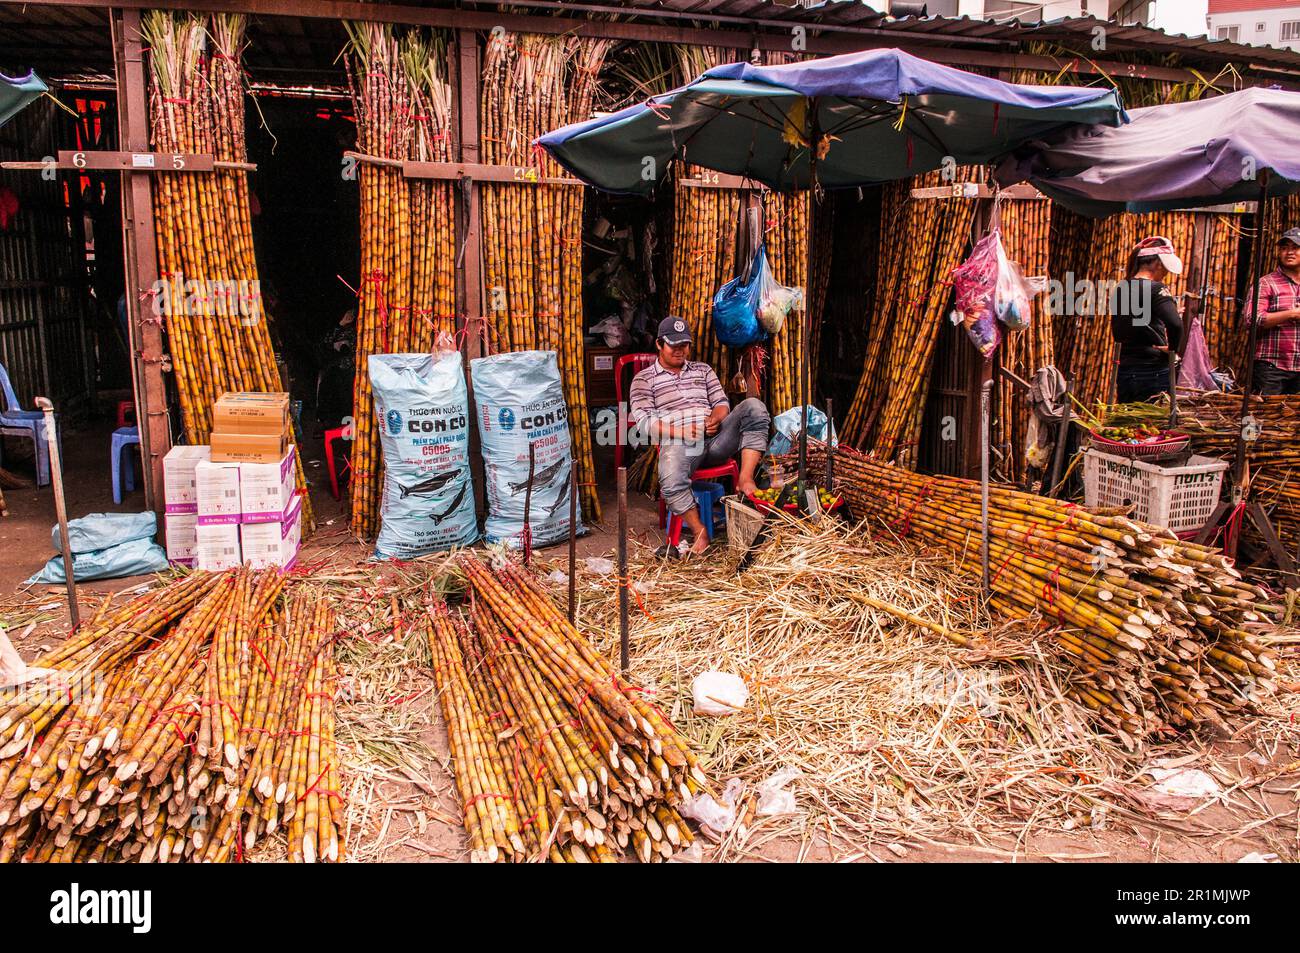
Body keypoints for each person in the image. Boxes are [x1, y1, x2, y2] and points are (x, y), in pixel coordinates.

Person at [629, 316, 770, 556]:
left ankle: (745, 478)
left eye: (684, 344)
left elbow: (721, 403)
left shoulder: (702, 370)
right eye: (673, 345)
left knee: (754, 407)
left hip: (715, 441)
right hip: (679, 444)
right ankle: (699, 530)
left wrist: (716, 418)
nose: (680, 350)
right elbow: (644, 422)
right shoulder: (644, 379)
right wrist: (681, 431)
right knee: (670, 479)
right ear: (659, 344)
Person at [1110, 235, 1185, 403]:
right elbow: (1175, 324)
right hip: (1152, 371)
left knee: (1127, 425)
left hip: (1126, 370)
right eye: (1165, 267)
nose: (1166, 273)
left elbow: (1125, 326)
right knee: (1151, 427)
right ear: (1157, 263)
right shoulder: (1156, 289)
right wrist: (1173, 348)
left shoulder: (1121, 288)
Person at [1246, 227, 1300, 395]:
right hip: (1271, 367)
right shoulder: (1266, 283)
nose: (1289, 252)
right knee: (1266, 417)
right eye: (1284, 248)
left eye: (1295, 248)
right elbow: (1252, 320)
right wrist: (1291, 314)